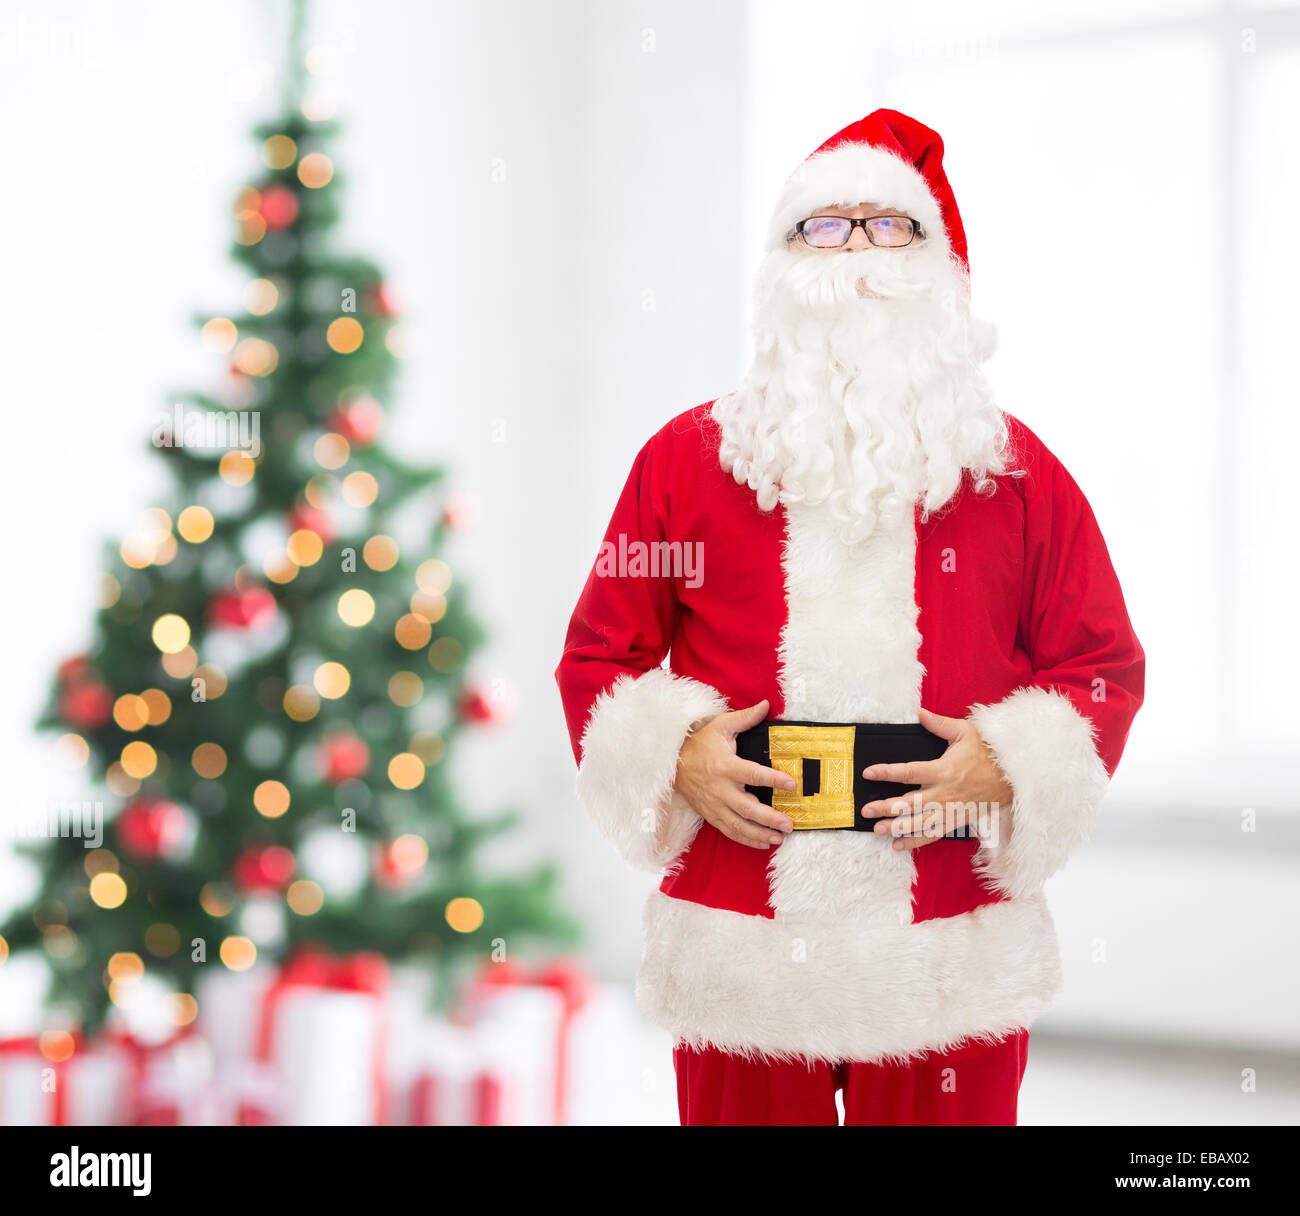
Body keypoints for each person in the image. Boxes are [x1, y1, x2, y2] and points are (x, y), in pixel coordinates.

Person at [554, 109, 1145, 1126]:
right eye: (825, 228)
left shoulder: (1017, 476)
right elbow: (598, 655)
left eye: (889, 226)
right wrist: (676, 751)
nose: (857, 252)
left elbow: (1098, 663)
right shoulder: (682, 463)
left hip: (948, 940)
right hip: (744, 939)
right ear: (781, 265)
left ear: (942, 266)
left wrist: (1008, 762)